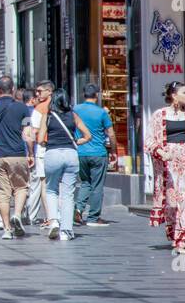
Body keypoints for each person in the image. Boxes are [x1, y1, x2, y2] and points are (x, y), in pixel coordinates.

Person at [145, 81, 185, 256]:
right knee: (172, 202)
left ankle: (181, 239)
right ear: (174, 95)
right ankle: (174, 232)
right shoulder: (160, 115)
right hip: (168, 163)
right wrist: (160, 152)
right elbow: (149, 140)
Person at [0, 75, 33, 240]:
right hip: (17, 153)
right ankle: (17, 215)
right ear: (13, 90)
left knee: (1, 193)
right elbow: (27, 133)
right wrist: (30, 153)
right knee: (21, 187)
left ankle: (7, 229)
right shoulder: (23, 108)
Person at [38, 88, 92, 241]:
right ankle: (66, 231)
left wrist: (47, 142)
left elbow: (41, 138)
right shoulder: (73, 115)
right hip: (71, 154)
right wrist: (77, 141)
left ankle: (54, 221)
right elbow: (88, 135)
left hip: (52, 154)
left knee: (51, 189)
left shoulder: (47, 116)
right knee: (68, 194)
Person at [73, 85, 116, 227]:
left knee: (85, 182)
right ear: (96, 96)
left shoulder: (76, 109)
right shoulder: (102, 112)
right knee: (97, 185)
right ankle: (93, 217)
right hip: (98, 152)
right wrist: (114, 151)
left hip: (81, 151)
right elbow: (111, 133)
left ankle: (78, 210)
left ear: (83, 94)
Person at [24, 81, 54, 227]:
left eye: (40, 91)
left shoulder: (40, 108)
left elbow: (33, 132)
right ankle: (58, 215)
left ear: (49, 91)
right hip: (61, 148)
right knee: (58, 184)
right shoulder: (61, 106)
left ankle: (50, 217)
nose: (37, 94)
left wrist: (30, 152)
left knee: (44, 184)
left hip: (43, 148)